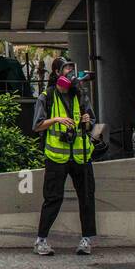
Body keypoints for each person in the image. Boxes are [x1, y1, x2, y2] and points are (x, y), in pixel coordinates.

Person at [32, 56, 97, 257]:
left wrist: (87, 121)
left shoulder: (80, 95)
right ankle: (41, 241)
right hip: (56, 156)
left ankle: (86, 240)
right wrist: (56, 119)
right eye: (66, 69)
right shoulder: (47, 96)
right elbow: (36, 126)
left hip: (81, 155)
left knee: (86, 197)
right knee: (53, 198)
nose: (69, 72)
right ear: (57, 73)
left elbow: (91, 125)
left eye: (71, 68)